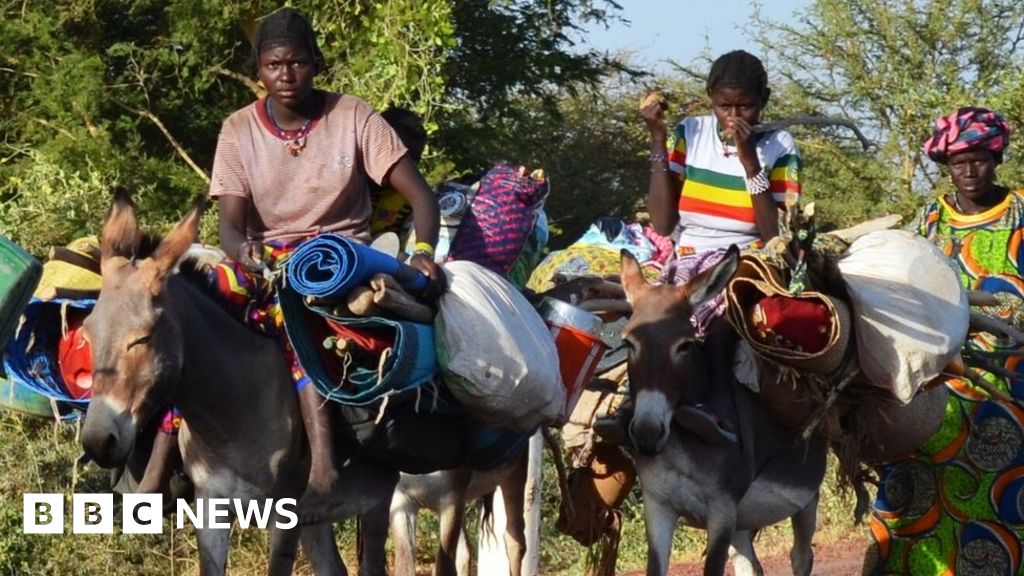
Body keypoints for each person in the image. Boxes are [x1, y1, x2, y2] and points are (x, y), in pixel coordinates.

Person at [203, 8, 443, 520]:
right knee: (186, 308)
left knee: (296, 314)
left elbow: (421, 196)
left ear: (316, 64)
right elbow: (229, 224)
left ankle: (324, 470)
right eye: (273, 65)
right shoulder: (238, 129)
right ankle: (160, 453)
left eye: (297, 63)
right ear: (258, 71)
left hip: (340, 255)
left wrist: (423, 252)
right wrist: (243, 250)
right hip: (265, 254)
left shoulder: (353, 116)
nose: (285, 75)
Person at [611, 50, 801, 445]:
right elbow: (663, 223)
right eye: (723, 106)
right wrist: (659, 139)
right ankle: (635, 404)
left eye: (745, 106)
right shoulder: (689, 133)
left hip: (745, 257)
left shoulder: (778, 145)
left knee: (722, 314)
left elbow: (772, 235)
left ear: (763, 100)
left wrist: (750, 163)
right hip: (687, 254)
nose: (733, 117)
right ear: (710, 99)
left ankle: (714, 404)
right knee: (653, 323)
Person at [866, 107, 1024, 575]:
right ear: (946, 166)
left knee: (1007, 497)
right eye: (958, 162)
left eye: (978, 159)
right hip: (940, 385)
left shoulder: (1019, 215)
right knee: (915, 492)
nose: (969, 171)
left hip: (1012, 387)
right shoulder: (929, 223)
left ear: (995, 158)